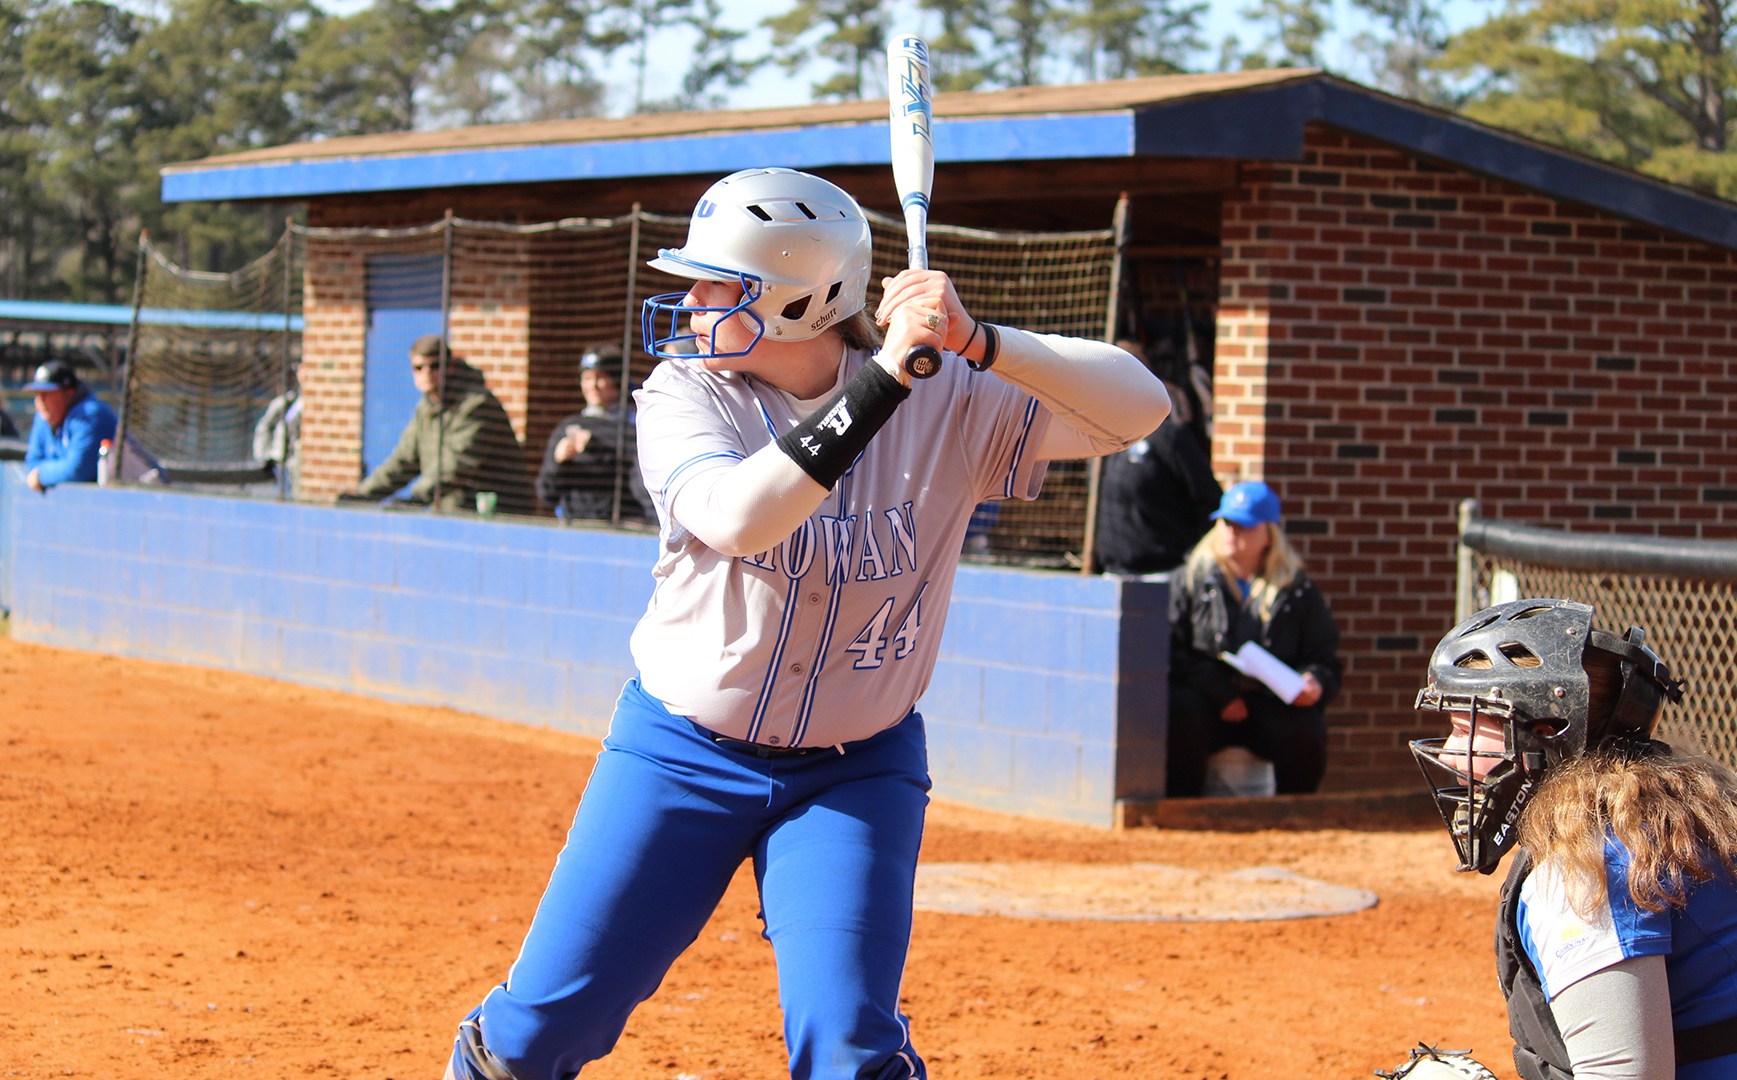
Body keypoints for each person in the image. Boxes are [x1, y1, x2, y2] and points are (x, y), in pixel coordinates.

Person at [439, 167, 1170, 1080]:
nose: (690, 299)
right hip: (682, 753)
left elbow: (1141, 407)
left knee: (850, 1049)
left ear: (796, 301)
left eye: (717, 283)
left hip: (854, 771)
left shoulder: (949, 395)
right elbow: (742, 517)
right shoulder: (685, 393)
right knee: (544, 1029)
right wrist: (884, 384)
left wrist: (978, 340)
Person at [1408, 599, 1734, 1080]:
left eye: (1466, 728)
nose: (1452, 755)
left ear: (1544, 733)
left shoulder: (1586, 863)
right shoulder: (1682, 808)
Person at [1165, 479, 1341, 796]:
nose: (1232, 532)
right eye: (1226, 523)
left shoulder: (1297, 590)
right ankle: (1183, 809)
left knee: (1305, 726)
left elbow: (1323, 654)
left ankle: (1297, 813)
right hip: (1209, 696)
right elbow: (1173, 649)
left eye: (1243, 526)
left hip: (1269, 700)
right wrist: (1221, 694)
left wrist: (1315, 681)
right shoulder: (1191, 579)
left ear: (1268, 535)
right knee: (1181, 711)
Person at [342, 334, 530, 515]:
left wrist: (416, 497)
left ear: (451, 367)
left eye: (435, 366)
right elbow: (402, 461)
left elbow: (454, 464)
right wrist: (363, 495)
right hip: (456, 514)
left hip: (498, 516)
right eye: (419, 367)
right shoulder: (426, 409)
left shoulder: (477, 405)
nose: (427, 373)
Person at [1096, 340, 1221, 574]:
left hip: (1162, 577)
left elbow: (1211, 500)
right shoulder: (1098, 436)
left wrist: (1196, 563)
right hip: (1112, 575)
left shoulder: (1169, 437)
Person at [534, 345, 652, 522]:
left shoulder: (635, 427)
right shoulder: (569, 427)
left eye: (600, 378)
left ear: (617, 380)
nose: (593, 386)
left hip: (624, 528)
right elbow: (546, 493)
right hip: (575, 529)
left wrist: (594, 449)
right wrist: (559, 462)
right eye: (587, 378)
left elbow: (638, 479)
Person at [23, 360, 118, 492]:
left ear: (68, 393)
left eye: (47, 393)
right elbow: (32, 462)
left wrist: (41, 475)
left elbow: (78, 470)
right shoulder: (44, 415)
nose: (40, 400)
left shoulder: (90, 415)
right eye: (38, 394)